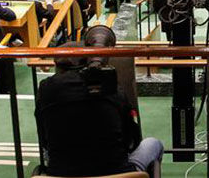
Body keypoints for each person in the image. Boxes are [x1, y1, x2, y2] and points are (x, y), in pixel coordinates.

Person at [35, 28, 164, 177]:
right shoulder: (112, 89)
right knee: (154, 144)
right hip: (118, 173)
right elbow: (132, 141)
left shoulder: (46, 89)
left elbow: (44, 140)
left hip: (61, 174)